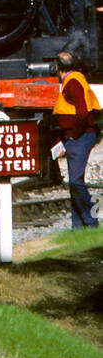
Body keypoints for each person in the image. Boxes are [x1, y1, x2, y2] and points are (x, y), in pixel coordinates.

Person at [52, 48, 101, 229]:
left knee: (75, 182)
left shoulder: (72, 83)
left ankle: (92, 221)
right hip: (75, 136)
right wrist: (63, 138)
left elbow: (81, 113)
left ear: (57, 68)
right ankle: (78, 226)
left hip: (80, 137)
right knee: (74, 184)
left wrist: (73, 135)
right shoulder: (75, 80)